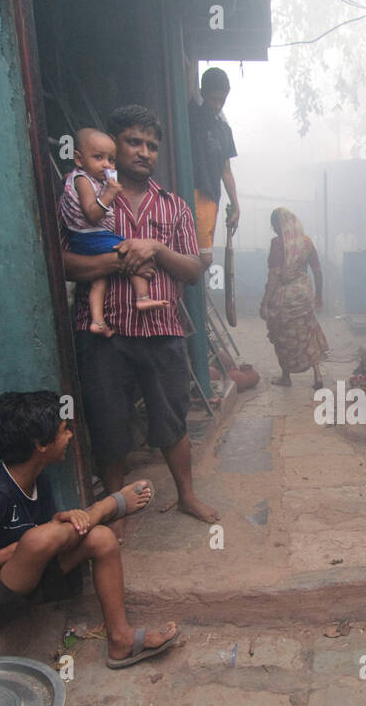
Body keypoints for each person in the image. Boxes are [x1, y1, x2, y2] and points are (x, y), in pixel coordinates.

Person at [61, 105, 220, 532]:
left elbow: (192, 271)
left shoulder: (175, 208)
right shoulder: (83, 198)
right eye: (133, 142)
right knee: (109, 423)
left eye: (152, 146)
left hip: (161, 330)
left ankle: (186, 495)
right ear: (113, 148)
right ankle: (114, 513)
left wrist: (155, 249)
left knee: (171, 419)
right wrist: (117, 262)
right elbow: (63, 263)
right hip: (104, 332)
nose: (143, 152)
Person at [0, 391, 177, 669]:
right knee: (42, 538)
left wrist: (53, 525)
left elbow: (40, 539)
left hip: (20, 585)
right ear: (40, 444)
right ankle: (103, 509)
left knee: (101, 538)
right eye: (64, 431)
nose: (70, 436)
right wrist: (16, 550)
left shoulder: (40, 481)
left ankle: (121, 639)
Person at [62, 128, 168, 337]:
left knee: (99, 279)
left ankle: (98, 321)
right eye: (98, 157)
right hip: (90, 236)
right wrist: (109, 194)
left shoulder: (173, 204)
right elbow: (92, 214)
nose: (106, 165)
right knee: (131, 251)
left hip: (87, 239)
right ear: (79, 159)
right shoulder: (82, 180)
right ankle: (142, 298)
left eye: (111, 160)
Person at [260, 208, 328, 388]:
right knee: (309, 333)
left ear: (280, 224)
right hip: (304, 295)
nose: (273, 229)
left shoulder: (277, 243)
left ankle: (286, 376)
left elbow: (274, 275)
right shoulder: (306, 242)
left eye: (274, 224)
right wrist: (319, 295)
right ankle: (318, 375)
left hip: (284, 297)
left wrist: (265, 302)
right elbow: (318, 271)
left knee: (282, 335)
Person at [188, 67, 240, 266]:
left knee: (204, 259)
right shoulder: (193, 116)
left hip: (213, 199)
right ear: (203, 93)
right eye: (213, 99)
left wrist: (236, 205)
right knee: (203, 258)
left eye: (222, 100)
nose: (218, 105)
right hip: (195, 194)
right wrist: (186, 64)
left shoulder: (224, 130)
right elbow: (184, 80)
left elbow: (226, 171)